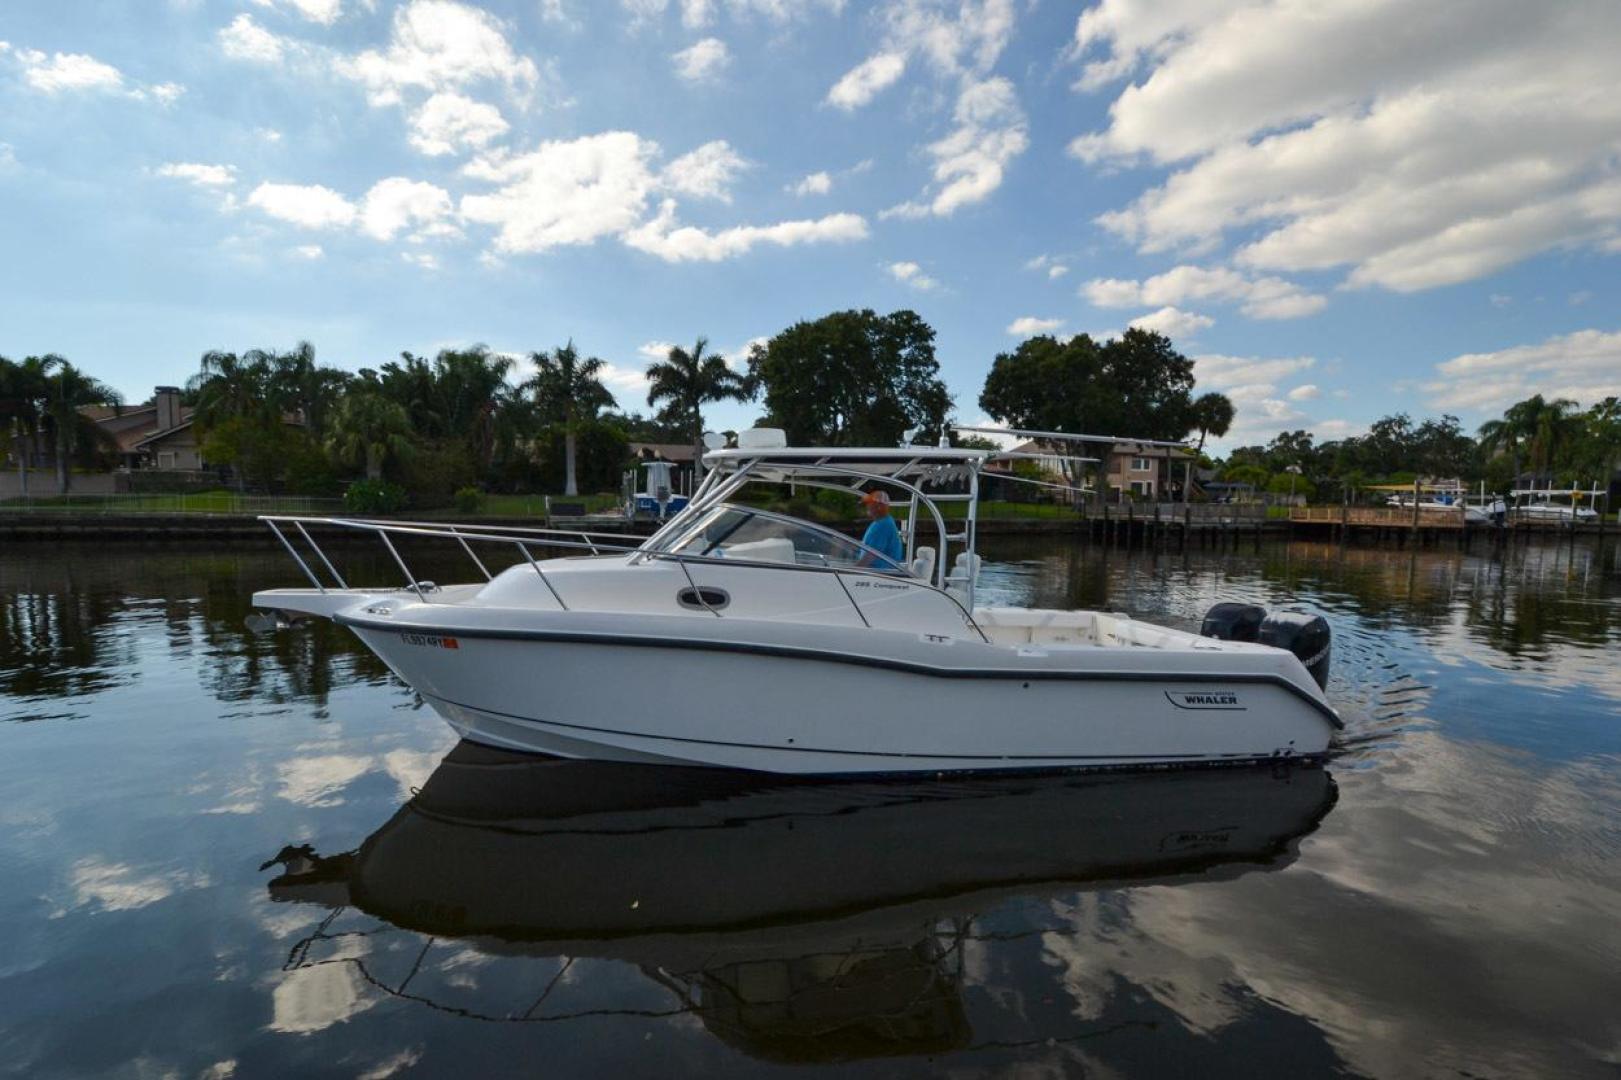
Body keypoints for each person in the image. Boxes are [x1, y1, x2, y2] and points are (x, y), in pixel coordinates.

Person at [858, 489, 905, 570]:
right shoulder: (882, 522)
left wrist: (853, 571)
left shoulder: (883, 525)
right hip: (875, 573)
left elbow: (871, 555)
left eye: (870, 503)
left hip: (879, 574)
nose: (867, 506)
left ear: (879, 506)